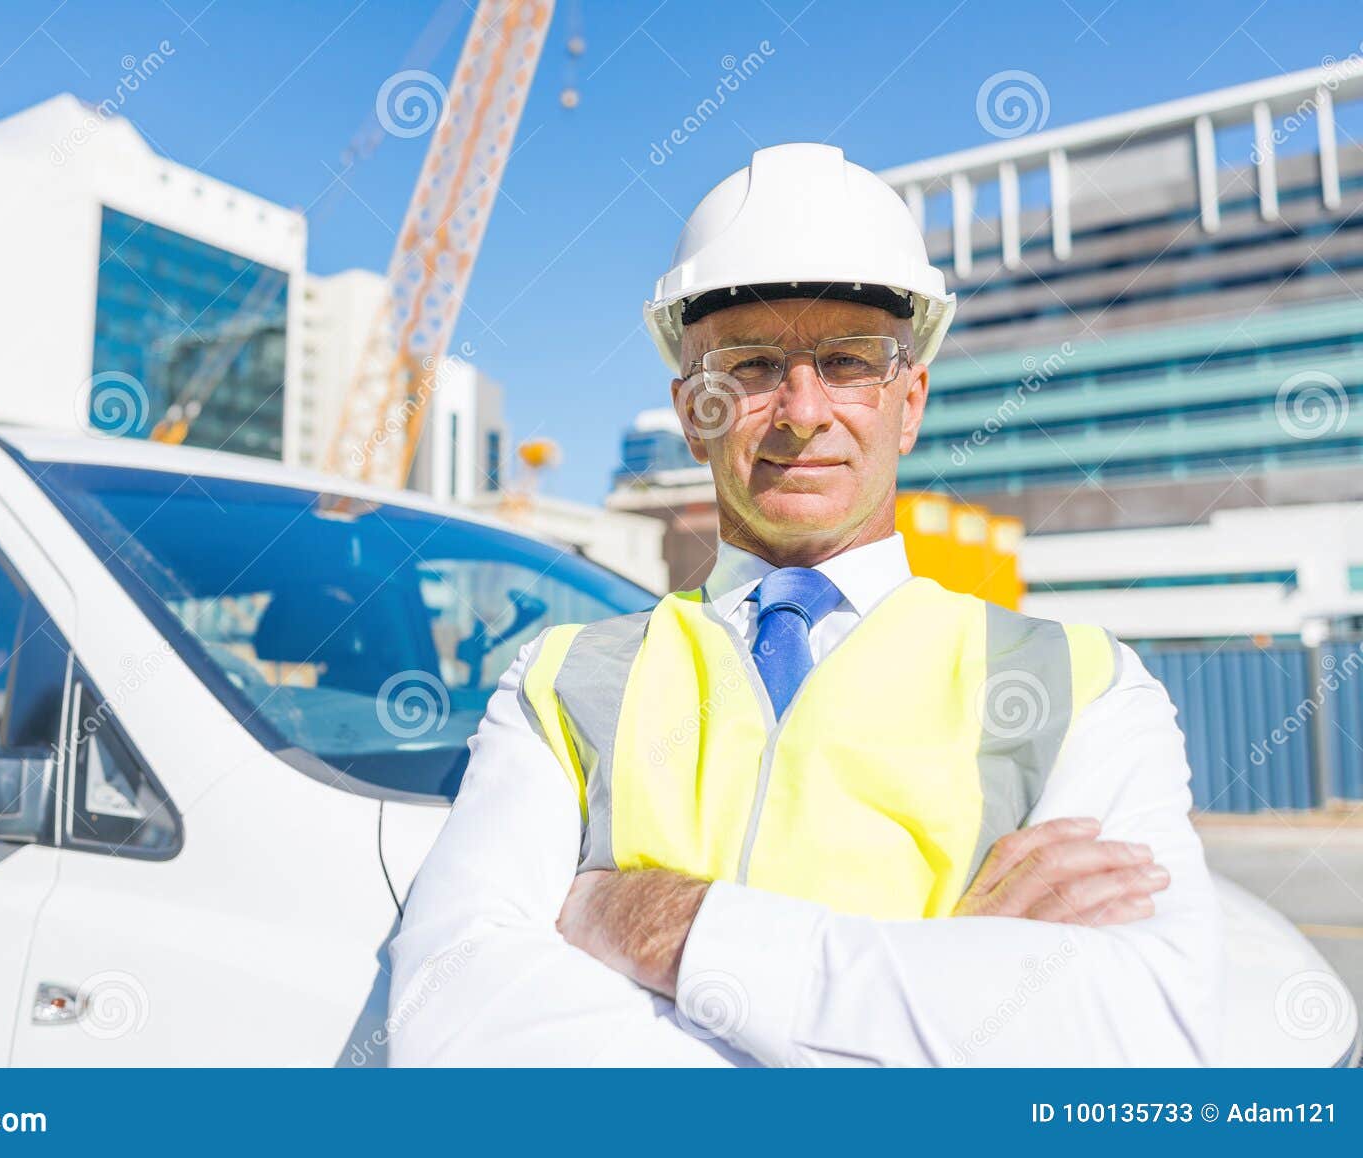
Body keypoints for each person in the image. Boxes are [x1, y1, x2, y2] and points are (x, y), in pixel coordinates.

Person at [386, 143, 1222, 1067]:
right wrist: (940, 984)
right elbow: (446, 1024)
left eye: (849, 360)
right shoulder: (564, 680)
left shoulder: (1081, 685)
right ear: (690, 410)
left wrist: (650, 920)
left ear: (910, 402)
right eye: (747, 365)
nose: (801, 410)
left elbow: (1149, 1038)